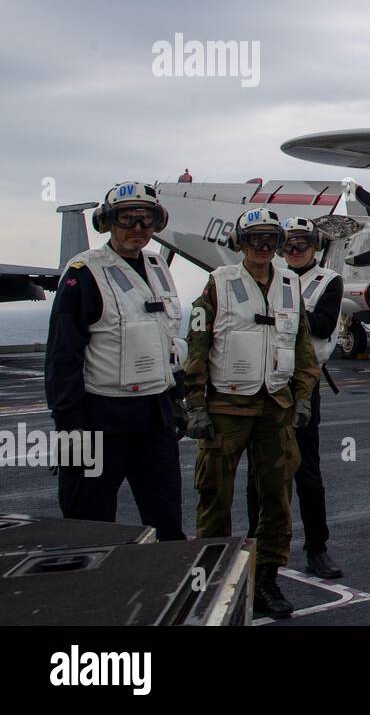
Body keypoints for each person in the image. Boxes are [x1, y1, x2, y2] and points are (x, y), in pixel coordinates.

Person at [184, 207, 320, 619]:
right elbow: (197, 344)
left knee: (277, 497)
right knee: (215, 497)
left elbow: (303, 348)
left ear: (278, 245)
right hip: (226, 407)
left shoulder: (290, 286)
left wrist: (302, 396)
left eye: (270, 240)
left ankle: (265, 579)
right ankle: (215, 579)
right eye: (254, 239)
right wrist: (194, 402)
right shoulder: (219, 283)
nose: (262, 247)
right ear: (240, 243)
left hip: (275, 408)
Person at [44, 182, 186, 541]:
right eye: (127, 218)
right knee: (89, 527)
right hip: (99, 418)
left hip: (154, 417)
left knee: (167, 525)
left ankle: (168, 591)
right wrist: (69, 431)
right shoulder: (84, 272)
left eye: (146, 219)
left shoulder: (157, 266)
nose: (137, 228)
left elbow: (165, 338)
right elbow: (63, 358)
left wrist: (177, 401)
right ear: (107, 222)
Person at [245, 216, 344, 580]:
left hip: (302, 385)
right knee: (259, 471)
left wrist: (284, 310)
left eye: (304, 243)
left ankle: (317, 548)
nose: (296, 249)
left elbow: (322, 325)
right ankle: (256, 545)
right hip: (264, 383)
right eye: (290, 244)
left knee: (307, 471)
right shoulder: (268, 278)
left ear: (316, 246)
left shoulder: (328, 281)